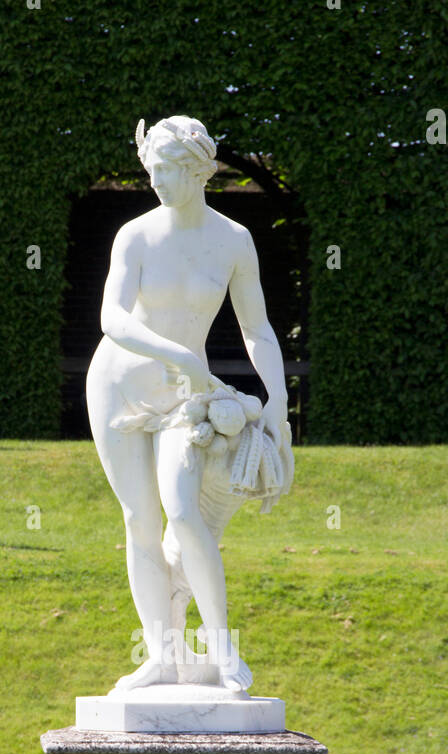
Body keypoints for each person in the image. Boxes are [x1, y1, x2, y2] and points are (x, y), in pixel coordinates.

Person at [86, 115, 293, 693]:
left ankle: (222, 648)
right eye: (152, 171)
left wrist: (275, 398)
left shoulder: (232, 240)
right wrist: (179, 354)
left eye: (170, 172)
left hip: (184, 396)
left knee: (184, 512)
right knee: (141, 521)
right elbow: (112, 319)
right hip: (120, 386)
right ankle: (161, 655)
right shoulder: (135, 235)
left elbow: (258, 330)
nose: (158, 182)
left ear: (199, 171)